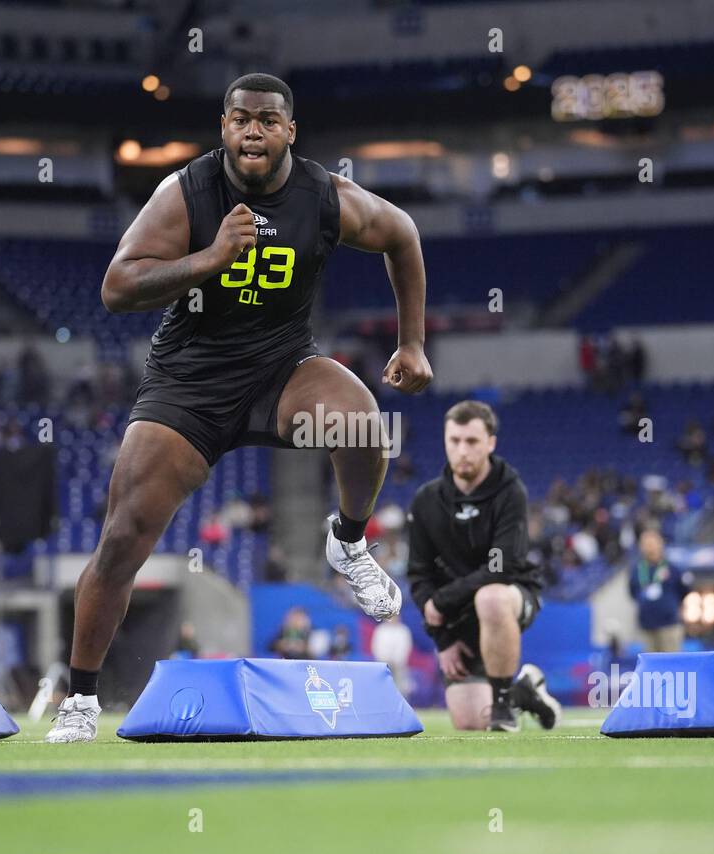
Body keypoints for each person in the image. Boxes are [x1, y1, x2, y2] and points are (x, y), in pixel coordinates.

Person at [47, 74, 433, 742]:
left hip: (282, 370)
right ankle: (80, 700)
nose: (254, 130)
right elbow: (117, 287)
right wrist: (211, 257)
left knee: (361, 420)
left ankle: (347, 542)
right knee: (123, 538)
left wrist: (414, 343)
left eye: (268, 120)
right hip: (188, 383)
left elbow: (402, 234)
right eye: (241, 119)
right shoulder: (186, 192)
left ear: (290, 131)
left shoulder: (324, 196)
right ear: (223, 127)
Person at [406, 400, 560, 732]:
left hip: (511, 596)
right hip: (459, 617)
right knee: (469, 722)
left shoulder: (511, 491)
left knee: (490, 597)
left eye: (472, 441)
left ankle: (503, 705)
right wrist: (443, 640)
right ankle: (523, 691)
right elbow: (419, 574)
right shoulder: (426, 500)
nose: (462, 450)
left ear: (490, 443)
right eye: (454, 440)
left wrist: (442, 601)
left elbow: (500, 567)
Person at [629, 529, 691, 652]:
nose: (650, 548)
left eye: (652, 544)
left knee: (671, 661)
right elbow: (633, 592)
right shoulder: (637, 570)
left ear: (660, 544)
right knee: (649, 662)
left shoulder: (672, 569)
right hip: (646, 626)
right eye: (646, 544)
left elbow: (684, 590)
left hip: (669, 625)